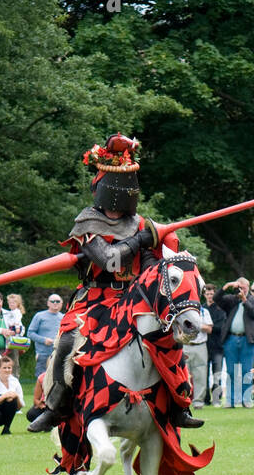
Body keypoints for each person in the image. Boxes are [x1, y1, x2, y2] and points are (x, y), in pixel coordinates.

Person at [28, 132, 203, 433]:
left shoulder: (140, 223)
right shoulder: (87, 222)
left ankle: (177, 404)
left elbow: (150, 267)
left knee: (165, 337)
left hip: (132, 300)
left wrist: (159, 251)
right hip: (93, 300)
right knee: (68, 343)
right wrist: (139, 240)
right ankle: (56, 406)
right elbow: (106, 258)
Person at [216, 277, 254, 408]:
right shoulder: (232, 299)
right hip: (231, 339)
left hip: (247, 339)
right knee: (231, 371)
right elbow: (217, 300)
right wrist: (226, 286)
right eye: (239, 287)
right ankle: (230, 400)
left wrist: (244, 300)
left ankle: (246, 400)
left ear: (248, 287)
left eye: (244, 287)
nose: (241, 289)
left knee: (247, 370)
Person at [27, 293, 64, 380]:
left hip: (58, 353)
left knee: (57, 379)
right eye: (52, 301)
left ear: (61, 304)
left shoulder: (64, 317)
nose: (55, 303)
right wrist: (44, 340)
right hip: (43, 353)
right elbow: (30, 333)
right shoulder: (39, 316)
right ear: (48, 303)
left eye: (58, 301)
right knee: (41, 379)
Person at [183, 293, 211, 408]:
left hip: (200, 346)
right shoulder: (183, 312)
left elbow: (209, 329)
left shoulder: (204, 312)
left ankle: (198, 402)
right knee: (184, 375)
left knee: (200, 374)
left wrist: (198, 324)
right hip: (185, 345)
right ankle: (184, 401)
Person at [202, 284, 226, 405]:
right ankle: (205, 398)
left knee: (217, 374)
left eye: (212, 294)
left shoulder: (220, 309)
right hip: (205, 345)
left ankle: (216, 397)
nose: (210, 296)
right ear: (204, 295)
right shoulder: (202, 309)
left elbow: (220, 327)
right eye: (207, 294)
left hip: (218, 346)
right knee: (204, 373)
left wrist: (207, 327)